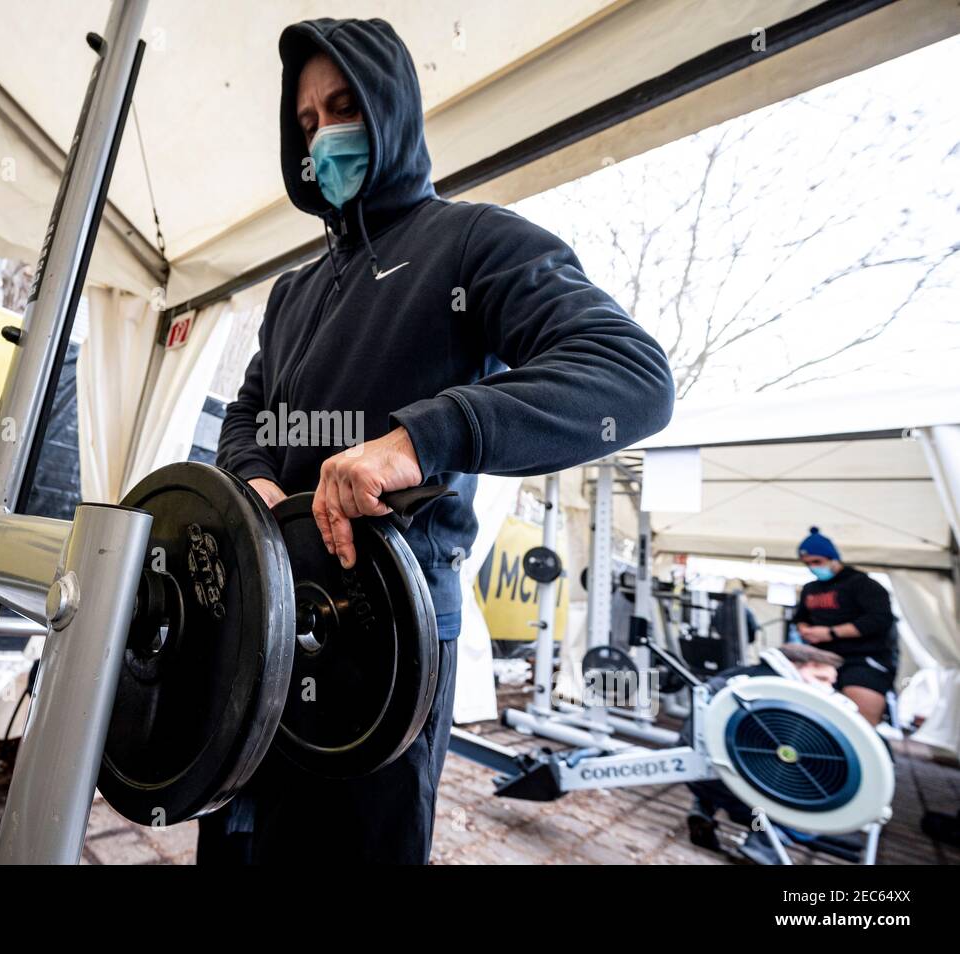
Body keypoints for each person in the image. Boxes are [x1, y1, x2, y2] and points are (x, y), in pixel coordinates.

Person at [205, 17, 674, 864]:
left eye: (343, 108)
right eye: (307, 124)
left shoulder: (472, 242)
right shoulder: (292, 293)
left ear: (391, 110)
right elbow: (247, 414)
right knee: (240, 842)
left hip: (389, 640)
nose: (324, 138)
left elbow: (631, 374)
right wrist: (255, 484)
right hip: (266, 617)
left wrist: (419, 438)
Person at [684, 643, 844, 865]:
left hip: (694, 772)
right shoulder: (786, 698)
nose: (828, 689)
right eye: (821, 679)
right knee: (818, 802)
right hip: (747, 789)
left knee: (719, 755)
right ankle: (762, 847)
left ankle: (702, 810)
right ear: (799, 665)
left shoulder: (740, 675)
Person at [793, 526, 898, 724]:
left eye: (817, 561)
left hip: (862, 660)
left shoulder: (863, 584)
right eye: (808, 563)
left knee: (859, 721)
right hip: (820, 658)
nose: (813, 567)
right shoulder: (810, 588)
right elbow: (800, 617)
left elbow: (879, 619)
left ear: (833, 558)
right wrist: (804, 629)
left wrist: (831, 633)